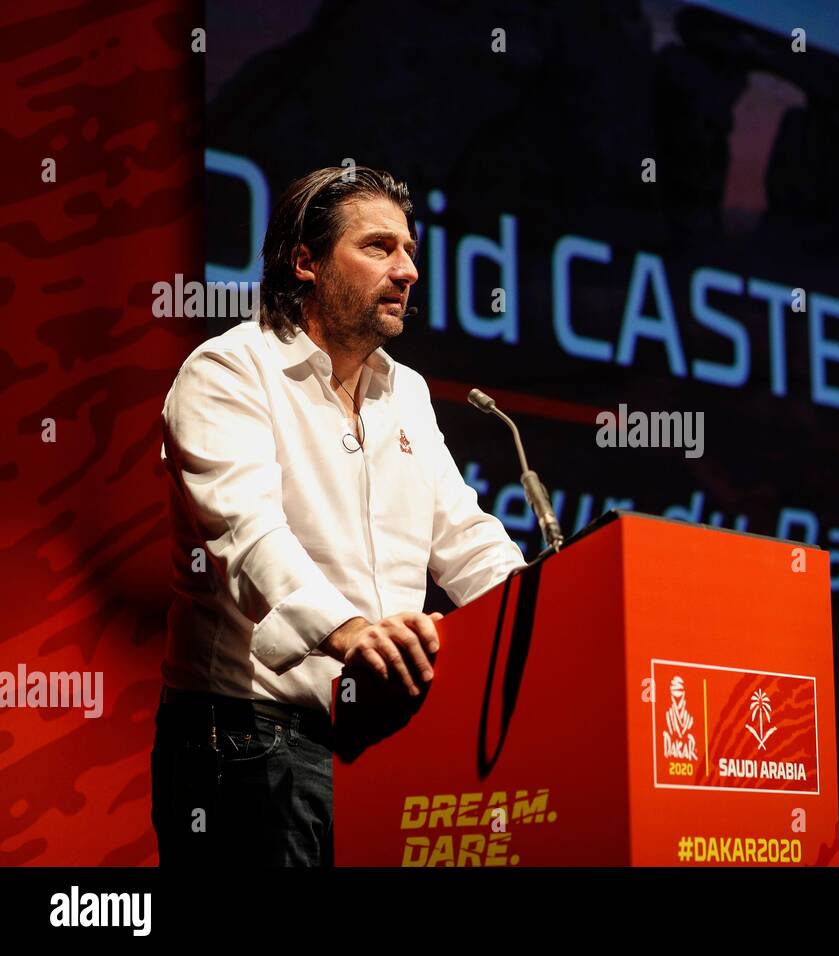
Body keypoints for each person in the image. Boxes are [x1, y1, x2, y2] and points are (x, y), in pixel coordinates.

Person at [151, 165, 525, 866]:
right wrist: (350, 630)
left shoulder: (404, 391)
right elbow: (248, 534)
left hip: (382, 737)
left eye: (410, 250)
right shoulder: (229, 371)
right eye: (379, 247)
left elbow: (468, 539)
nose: (408, 269)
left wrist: (546, 615)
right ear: (306, 262)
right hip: (245, 739)